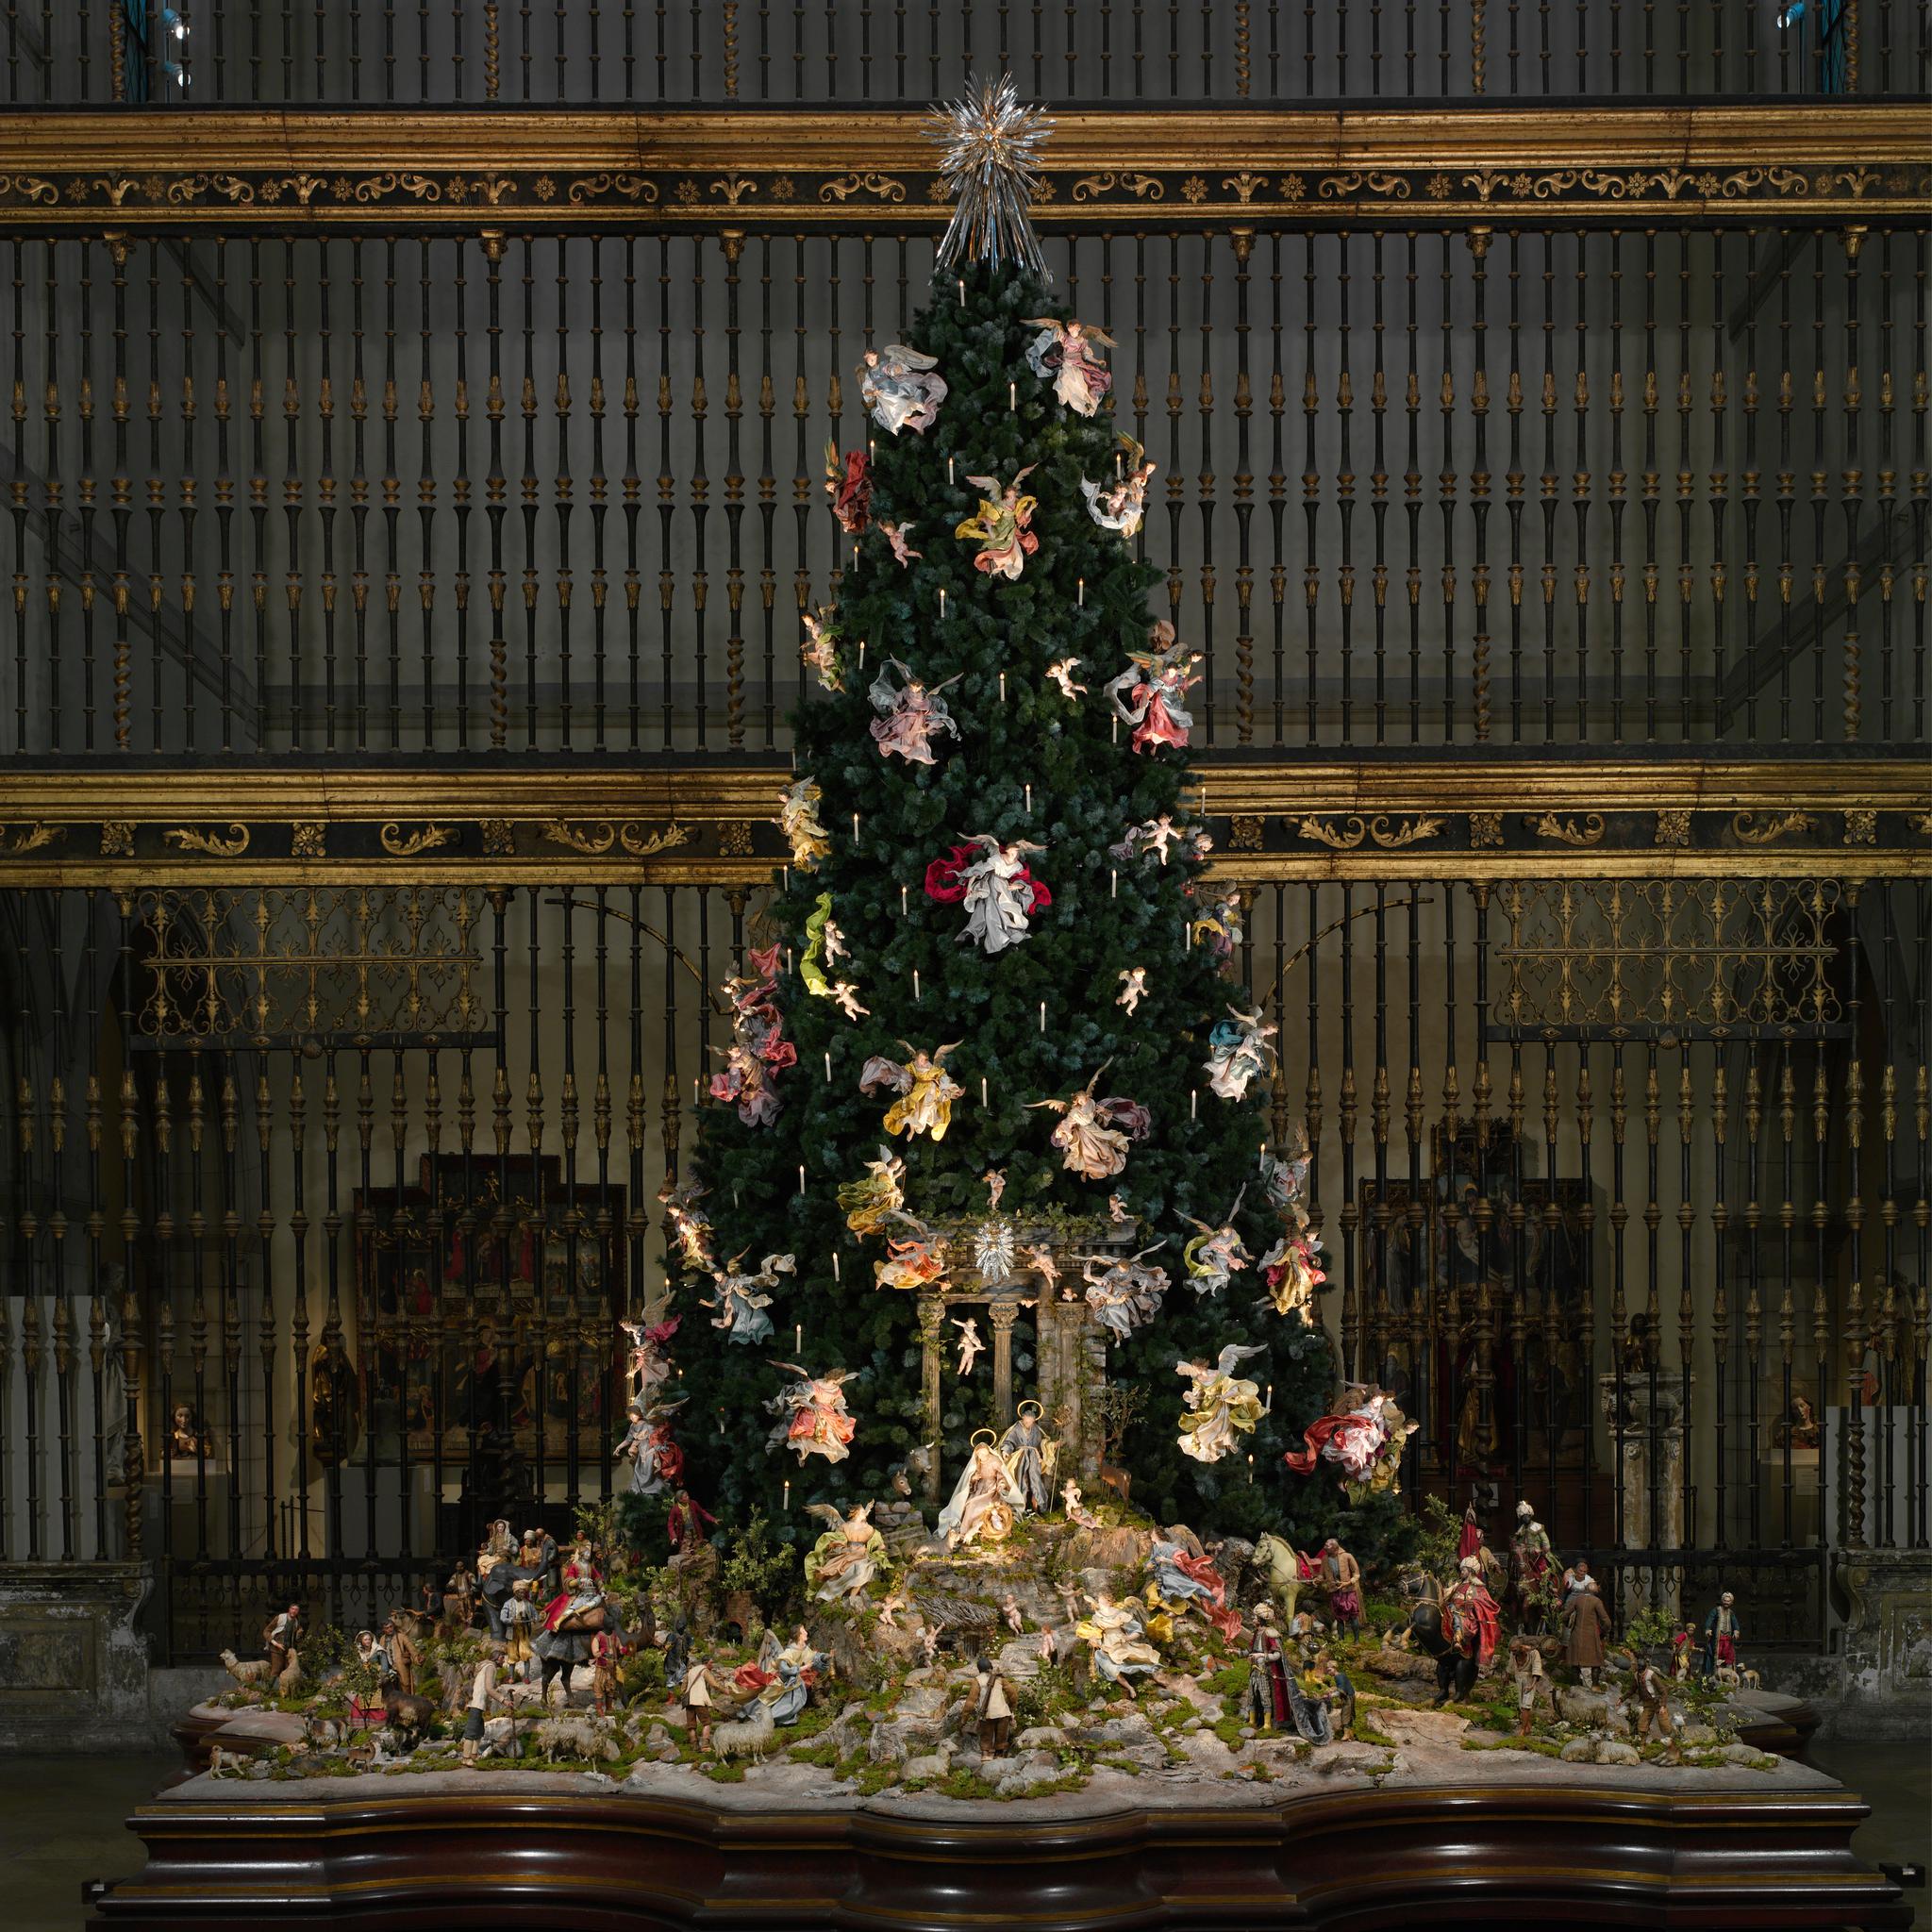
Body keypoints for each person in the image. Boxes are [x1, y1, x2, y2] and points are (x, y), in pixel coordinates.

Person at [1623, 1649, 1680, 1761]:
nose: (1640, 1672)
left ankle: (1674, 1746)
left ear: (1645, 1668)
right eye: (1639, 1670)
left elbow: (1663, 1691)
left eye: (1642, 1670)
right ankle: (1642, 1746)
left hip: (1657, 1703)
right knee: (1642, 1724)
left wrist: (1663, 1706)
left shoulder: (1651, 1675)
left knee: (1665, 1726)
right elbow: (1632, 1689)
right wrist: (1622, 1699)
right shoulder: (1636, 1676)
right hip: (1647, 1704)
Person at [1243, 1604, 1290, 1730]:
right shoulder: (1256, 1633)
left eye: (1255, 1617)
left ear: (1260, 1619)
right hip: (1254, 1669)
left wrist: (1261, 1656)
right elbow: (1249, 1650)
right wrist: (1235, 1652)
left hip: (1265, 1671)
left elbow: (1277, 1655)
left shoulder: (1270, 1633)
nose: (1253, 1619)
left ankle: (1267, 1724)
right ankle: (1252, 1721)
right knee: (1252, 1695)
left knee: (1265, 1695)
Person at [1562, 1577, 1612, 1688]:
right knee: (1595, 1662)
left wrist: (1568, 1625)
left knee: (1576, 1662)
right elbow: (1607, 1622)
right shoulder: (1597, 1602)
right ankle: (1595, 1686)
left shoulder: (1577, 1600)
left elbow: (1565, 1615)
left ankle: (1575, 1686)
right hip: (1591, 1636)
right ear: (1595, 1592)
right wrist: (1603, 1633)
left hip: (1576, 1634)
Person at [459, 1642, 503, 1767]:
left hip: (479, 1703)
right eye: (502, 1657)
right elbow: (489, 1689)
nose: (503, 1660)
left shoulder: (486, 1667)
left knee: (479, 1730)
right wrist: (503, 1699)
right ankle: (466, 1758)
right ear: (496, 1657)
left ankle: (474, 1755)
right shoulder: (490, 1667)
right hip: (478, 1703)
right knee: (471, 1731)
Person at [1320, 1538, 1362, 1637]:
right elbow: (1321, 1575)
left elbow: (1356, 1574)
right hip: (1335, 1591)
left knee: (1353, 1616)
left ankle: (1356, 1641)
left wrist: (1348, 1583)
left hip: (1348, 1591)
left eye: (1327, 1545)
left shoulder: (1347, 1556)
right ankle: (1341, 1640)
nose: (1324, 1547)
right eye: (1325, 1545)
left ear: (1334, 1547)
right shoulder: (1325, 1559)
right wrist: (1318, 1579)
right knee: (1338, 1618)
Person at [1507, 1637, 1547, 1737]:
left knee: (1526, 1706)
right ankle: (1528, 1727)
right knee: (1522, 1706)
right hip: (1519, 1679)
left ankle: (1522, 1730)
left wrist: (1532, 1685)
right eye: (1512, 1651)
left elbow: (1537, 1669)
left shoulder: (1534, 1653)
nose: (1513, 1653)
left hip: (1529, 1681)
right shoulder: (1513, 1653)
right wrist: (1506, 1677)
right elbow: (1510, 1666)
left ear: (1521, 1647)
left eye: (1515, 1650)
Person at [975, 1657, 1014, 1757]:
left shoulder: (977, 1680)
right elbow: (1013, 1694)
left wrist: (964, 1719)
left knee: (986, 1736)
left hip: (987, 1713)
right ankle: (999, 1754)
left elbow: (970, 1703)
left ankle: (985, 1754)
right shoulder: (1000, 1679)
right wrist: (1011, 1707)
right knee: (1001, 1736)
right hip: (1003, 1713)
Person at [1700, 1591, 1742, 1678]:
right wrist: (1708, 1629)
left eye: (1728, 1601)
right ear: (1722, 1601)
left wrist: (1736, 1631)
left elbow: (1735, 1623)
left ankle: (1728, 1675)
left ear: (1731, 1602)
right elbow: (1710, 1619)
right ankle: (1714, 1674)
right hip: (1717, 1639)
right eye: (1725, 1600)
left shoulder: (1731, 1613)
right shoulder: (1716, 1610)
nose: (1726, 1602)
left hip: (1728, 1639)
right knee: (1715, 1655)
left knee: (1729, 1656)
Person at [263, 1602, 303, 1679]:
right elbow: (266, 1631)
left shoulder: (296, 1622)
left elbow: (298, 1637)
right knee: (276, 1670)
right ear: (289, 1609)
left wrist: (299, 1633)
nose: (294, 1611)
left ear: (298, 1612)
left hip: (288, 1651)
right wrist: (275, 1643)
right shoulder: (280, 1618)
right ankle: (268, 1690)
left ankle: (285, 1690)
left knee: (289, 1671)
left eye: (296, 1610)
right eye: (292, 1609)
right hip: (277, 1649)